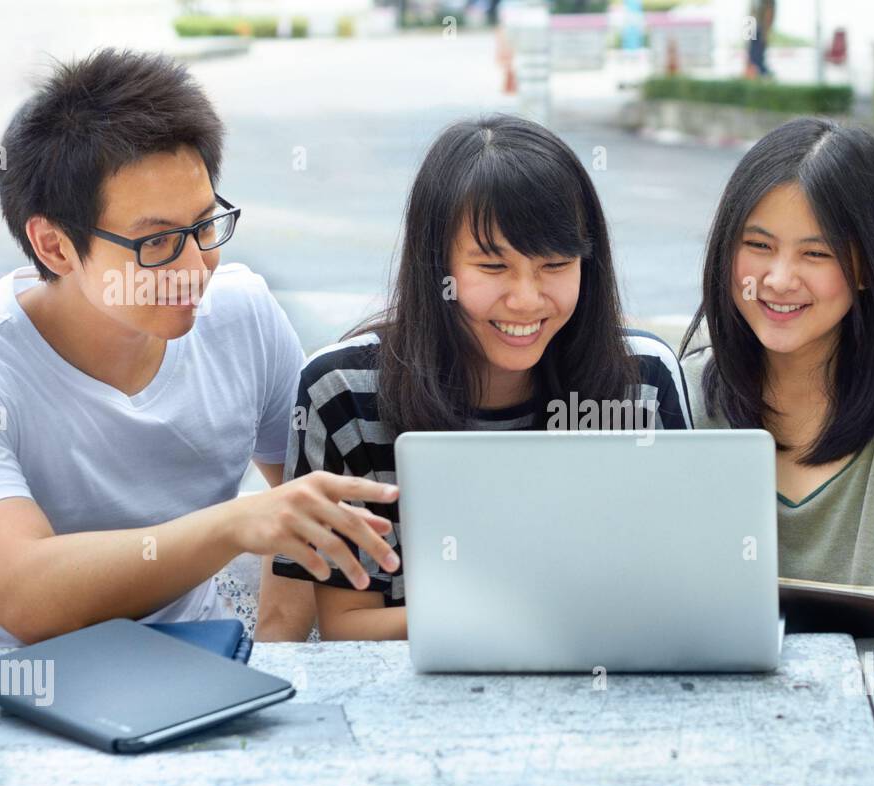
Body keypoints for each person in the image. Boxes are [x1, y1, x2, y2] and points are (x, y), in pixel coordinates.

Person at [0, 49, 392, 648]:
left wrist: (275, 649)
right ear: (54, 246)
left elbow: (304, 501)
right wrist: (237, 522)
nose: (195, 267)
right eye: (156, 241)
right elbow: (25, 594)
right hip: (6, 690)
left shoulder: (243, 317)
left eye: (204, 226)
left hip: (196, 666)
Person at [268, 114, 690, 640]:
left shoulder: (642, 381)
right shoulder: (343, 393)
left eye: (555, 265)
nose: (527, 299)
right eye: (493, 268)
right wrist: (534, 611)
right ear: (436, 267)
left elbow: (678, 587)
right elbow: (348, 626)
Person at [679, 117, 874, 588]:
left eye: (816, 254)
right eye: (757, 245)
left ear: (868, 266)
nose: (779, 279)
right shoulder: (682, 397)